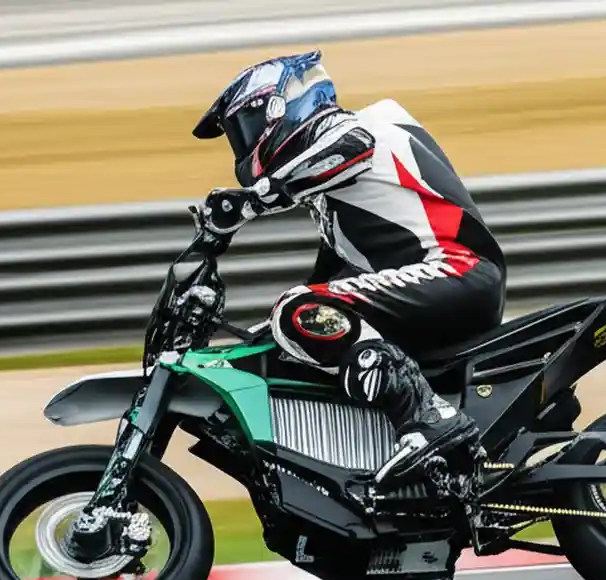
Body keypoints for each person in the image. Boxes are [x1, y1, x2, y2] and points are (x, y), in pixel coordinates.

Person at [193, 50, 506, 492]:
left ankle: (430, 417)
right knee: (299, 317)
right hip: (441, 287)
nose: (243, 147)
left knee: (297, 309)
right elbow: (327, 284)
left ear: (281, 107)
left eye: (245, 129)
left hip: (456, 272)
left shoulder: (356, 128)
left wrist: (253, 201)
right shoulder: (334, 196)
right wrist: (268, 332)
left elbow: (346, 148)